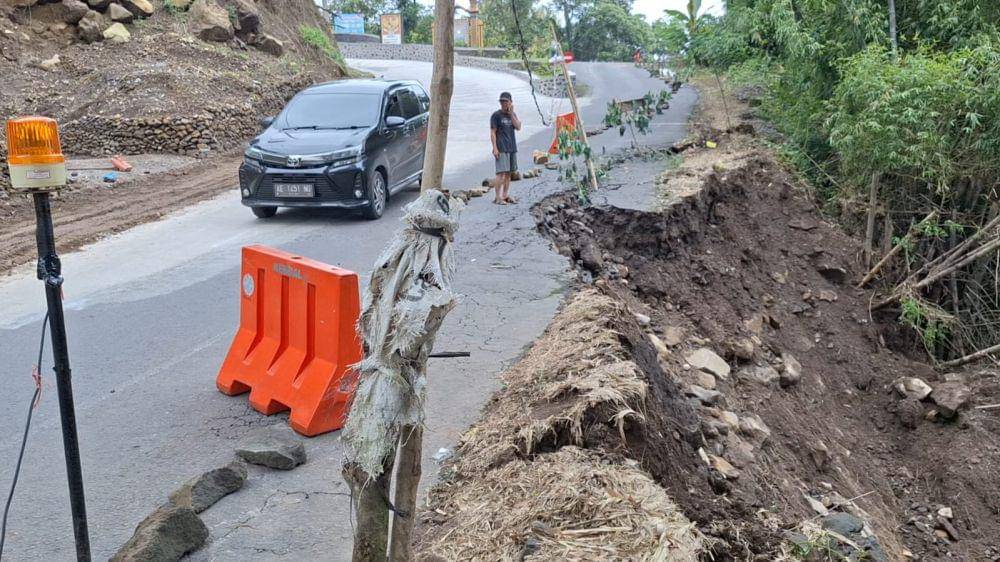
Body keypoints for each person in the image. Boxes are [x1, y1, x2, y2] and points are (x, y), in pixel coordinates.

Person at [490, 91, 522, 205]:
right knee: (500, 173)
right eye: (502, 101)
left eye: (506, 101)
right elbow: (493, 132)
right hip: (501, 147)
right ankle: (497, 197)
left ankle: (505, 195)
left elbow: (518, 127)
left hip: (512, 147)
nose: (504, 103)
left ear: (510, 102)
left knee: (509, 173)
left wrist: (511, 114)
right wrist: (495, 148)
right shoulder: (496, 115)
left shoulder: (512, 115)